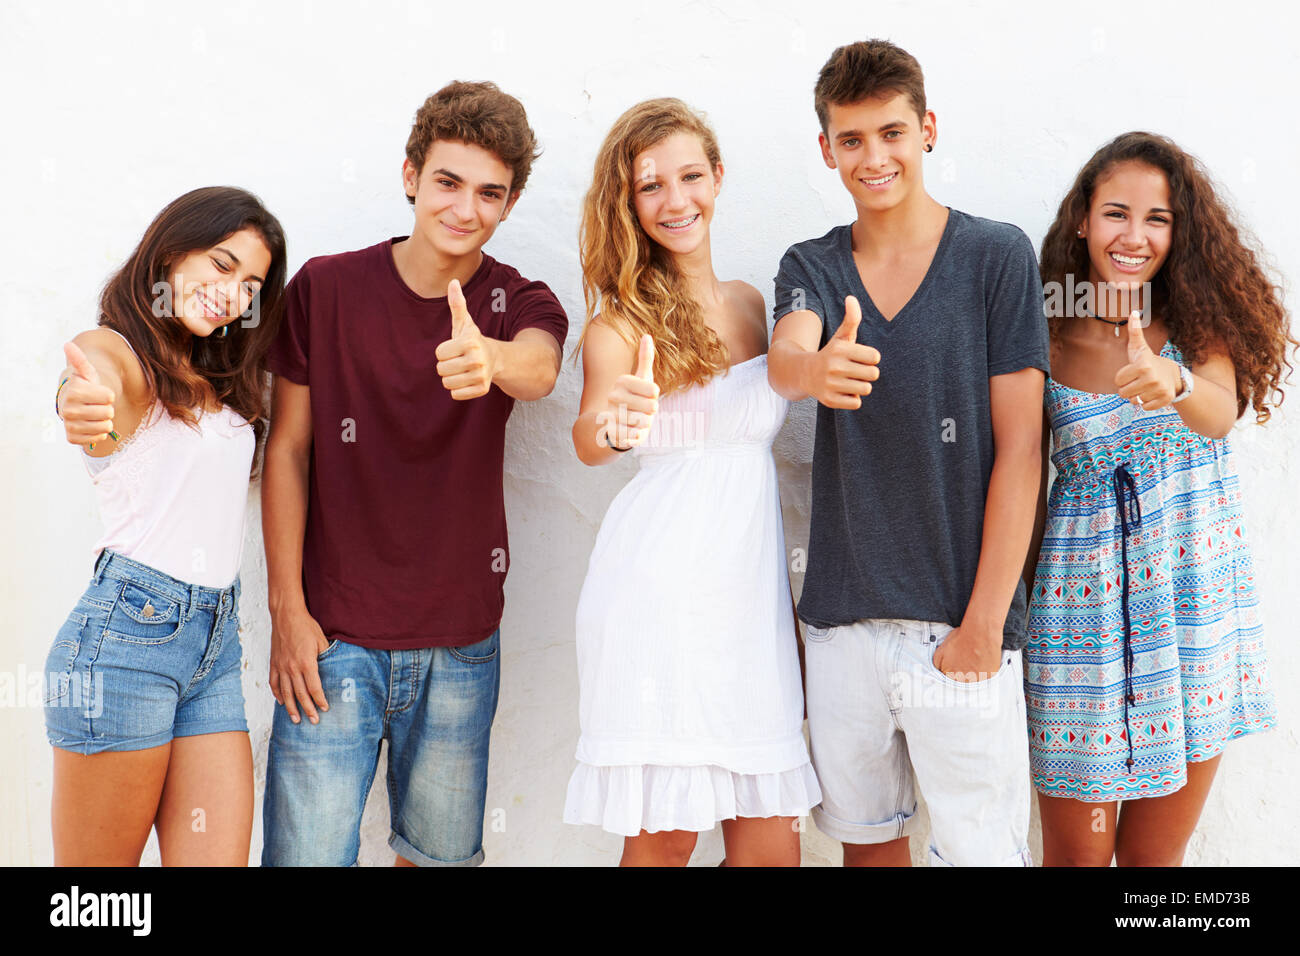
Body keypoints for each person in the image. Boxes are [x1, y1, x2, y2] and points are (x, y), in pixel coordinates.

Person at [260, 81, 568, 867]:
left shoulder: (518, 301)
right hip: (332, 640)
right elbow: (288, 452)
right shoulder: (323, 290)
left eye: (489, 193)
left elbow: (538, 368)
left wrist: (488, 357)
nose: (465, 208)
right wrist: (287, 611)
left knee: (439, 862)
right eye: (448, 182)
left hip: (461, 643)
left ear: (511, 201)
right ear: (411, 176)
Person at [768, 39, 1049, 866]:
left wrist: (985, 626)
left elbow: (1022, 450)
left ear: (927, 129)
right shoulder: (812, 265)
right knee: (868, 849)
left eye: (891, 132)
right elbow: (787, 357)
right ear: (826, 149)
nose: (873, 156)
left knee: (983, 855)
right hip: (842, 628)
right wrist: (813, 368)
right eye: (851, 140)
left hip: (958, 628)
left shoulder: (996, 257)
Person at [563, 97, 820, 866]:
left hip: (750, 605)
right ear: (629, 203)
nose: (675, 201)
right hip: (660, 600)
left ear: (717, 177)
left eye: (688, 176)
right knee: (666, 838)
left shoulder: (750, 302)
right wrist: (618, 423)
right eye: (650, 186)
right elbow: (590, 438)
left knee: (772, 849)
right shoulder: (619, 326)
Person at [1024, 131, 1291, 866]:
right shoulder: (1041, 330)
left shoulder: (1198, 320)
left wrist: (1172, 383)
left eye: (1158, 218)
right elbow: (1017, 474)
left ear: (1181, 231)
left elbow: (1219, 409)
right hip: (1077, 625)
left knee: (1153, 871)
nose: (1134, 236)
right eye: (1116, 213)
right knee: (1074, 862)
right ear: (1082, 218)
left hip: (1192, 611)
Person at [46, 186, 287, 865]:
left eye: (251, 284)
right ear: (170, 251)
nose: (232, 292)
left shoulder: (218, 379)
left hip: (213, 650)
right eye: (220, 263)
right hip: (124, 642)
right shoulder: (118, 350)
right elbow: (91, 384)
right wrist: (78, 404)